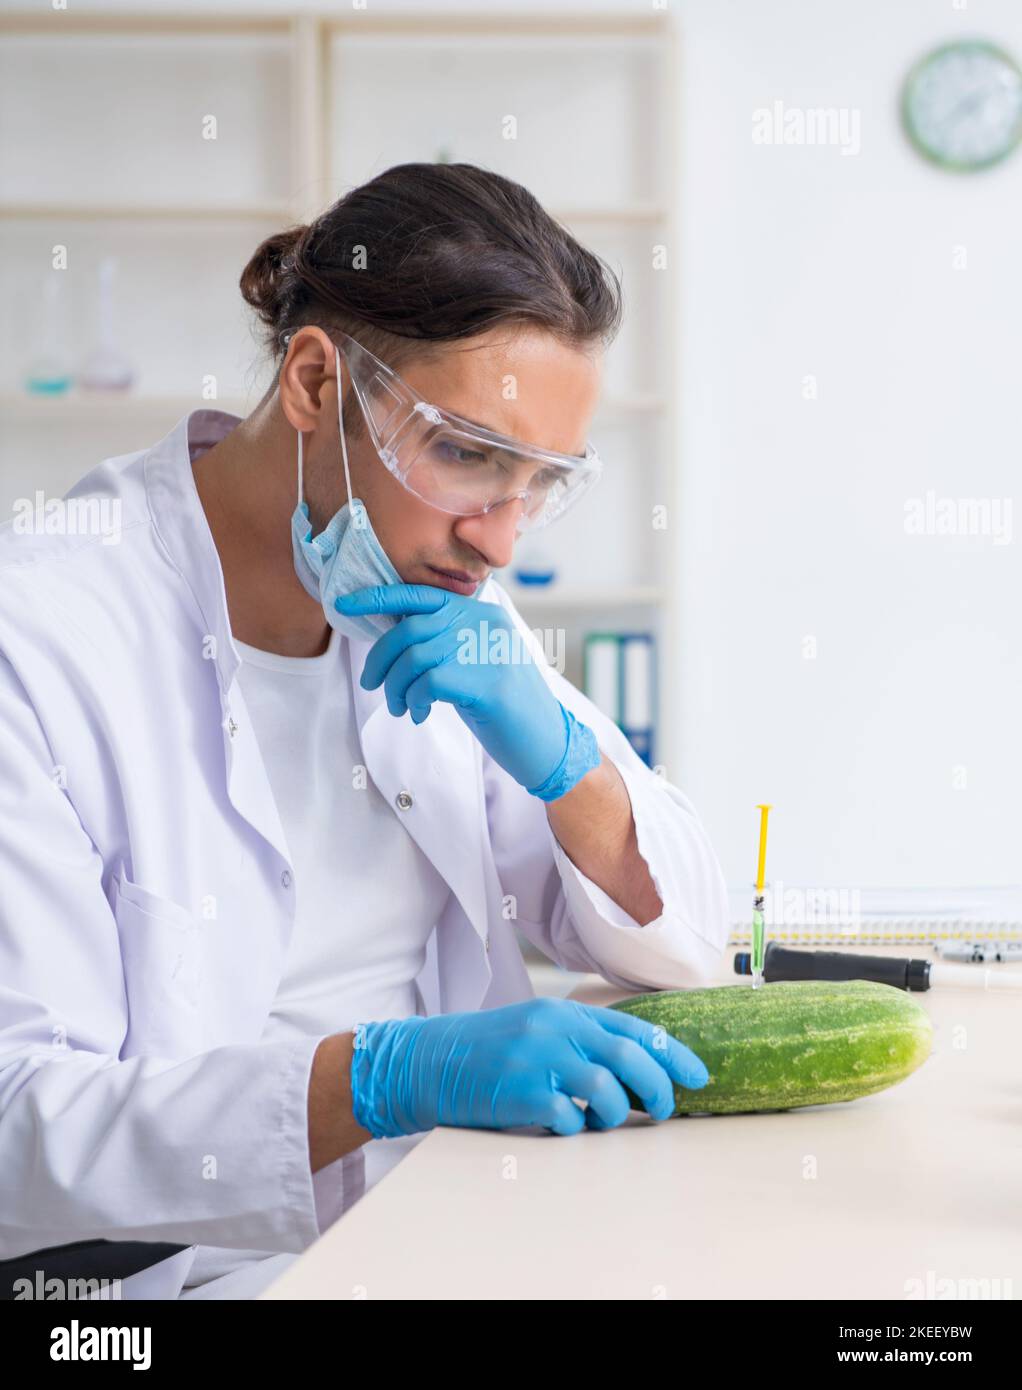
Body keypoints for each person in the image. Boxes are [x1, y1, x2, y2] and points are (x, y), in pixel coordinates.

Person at [0, 162, 729, 1301]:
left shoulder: (441, 597)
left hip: (457, 1228)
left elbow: (684, 937)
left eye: (537, 481)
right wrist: (385, 1077)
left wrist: (565, 759)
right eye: (467, 453)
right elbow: (21, 1131)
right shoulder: (40, 635)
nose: (498, 538)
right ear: (310, 382)